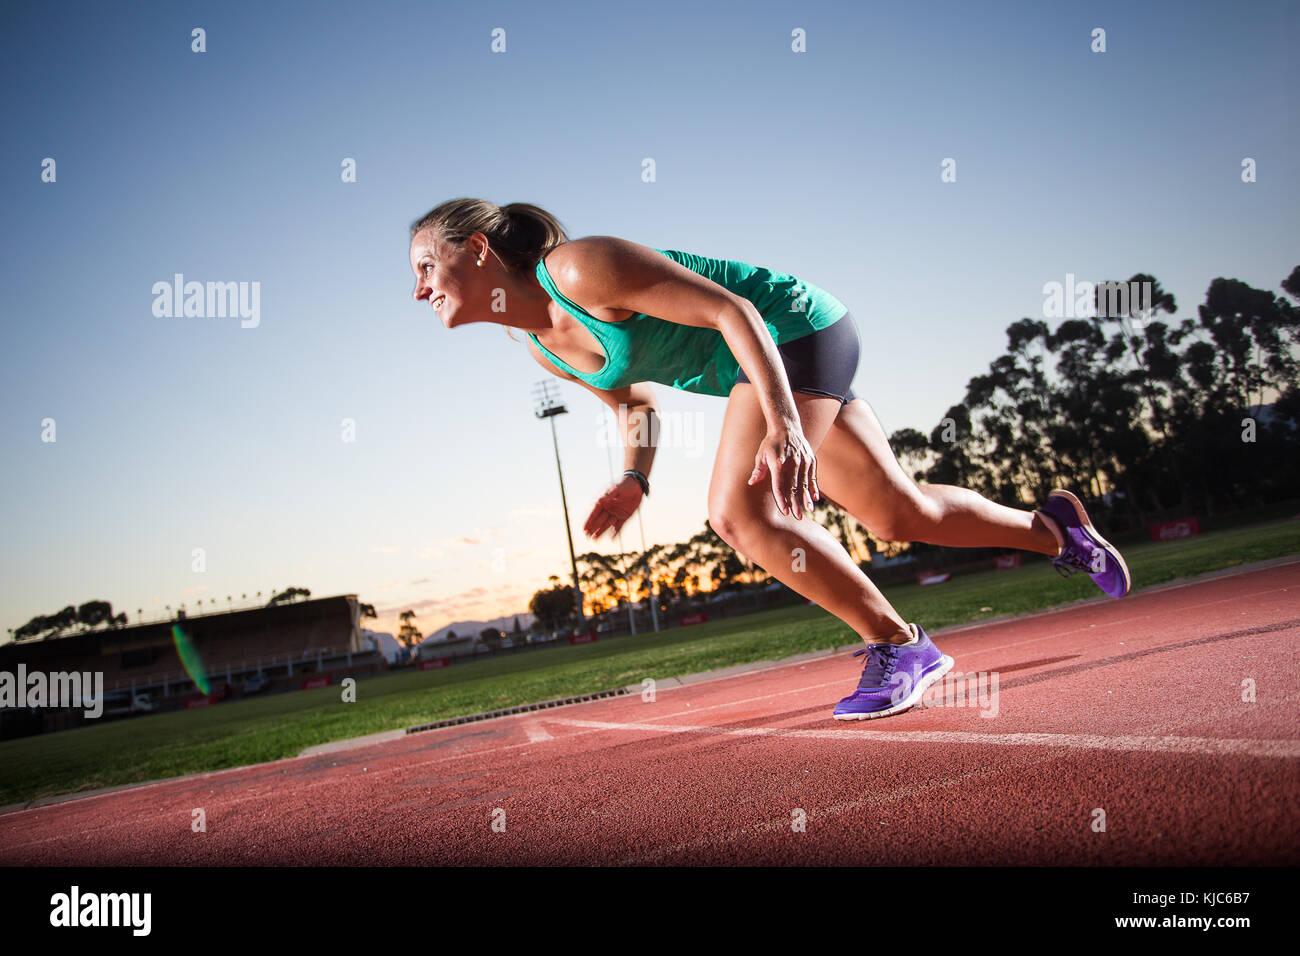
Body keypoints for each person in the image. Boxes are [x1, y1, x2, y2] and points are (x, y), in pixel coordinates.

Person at [408, 198, 1131, 720]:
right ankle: (1055, 532)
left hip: (793, 332)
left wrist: (785, 421)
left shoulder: (579, 268)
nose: (418, 288)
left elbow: (735, 313)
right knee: (896, 513)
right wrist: (635, 479)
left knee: (739, 511)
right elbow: (634, 405)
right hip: (757, 374)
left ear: (475, 248)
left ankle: (901, 646)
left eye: (425, 265)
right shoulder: (534, 342)